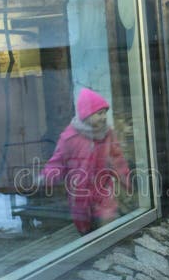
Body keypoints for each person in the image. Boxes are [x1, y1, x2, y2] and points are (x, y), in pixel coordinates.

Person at [39, 88, 131, 234]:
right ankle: (87, 236)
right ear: (86, 114)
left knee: (107, 221)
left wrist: (126, 179)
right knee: (84, 226)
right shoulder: (69, 138)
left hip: (103, 188)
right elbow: (58, 161)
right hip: (79, 192)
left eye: (104, 113)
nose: (103, 117)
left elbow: (117, 158)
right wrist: (47, 177)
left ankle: (108, 243)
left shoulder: (108, 134)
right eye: (99, 113)